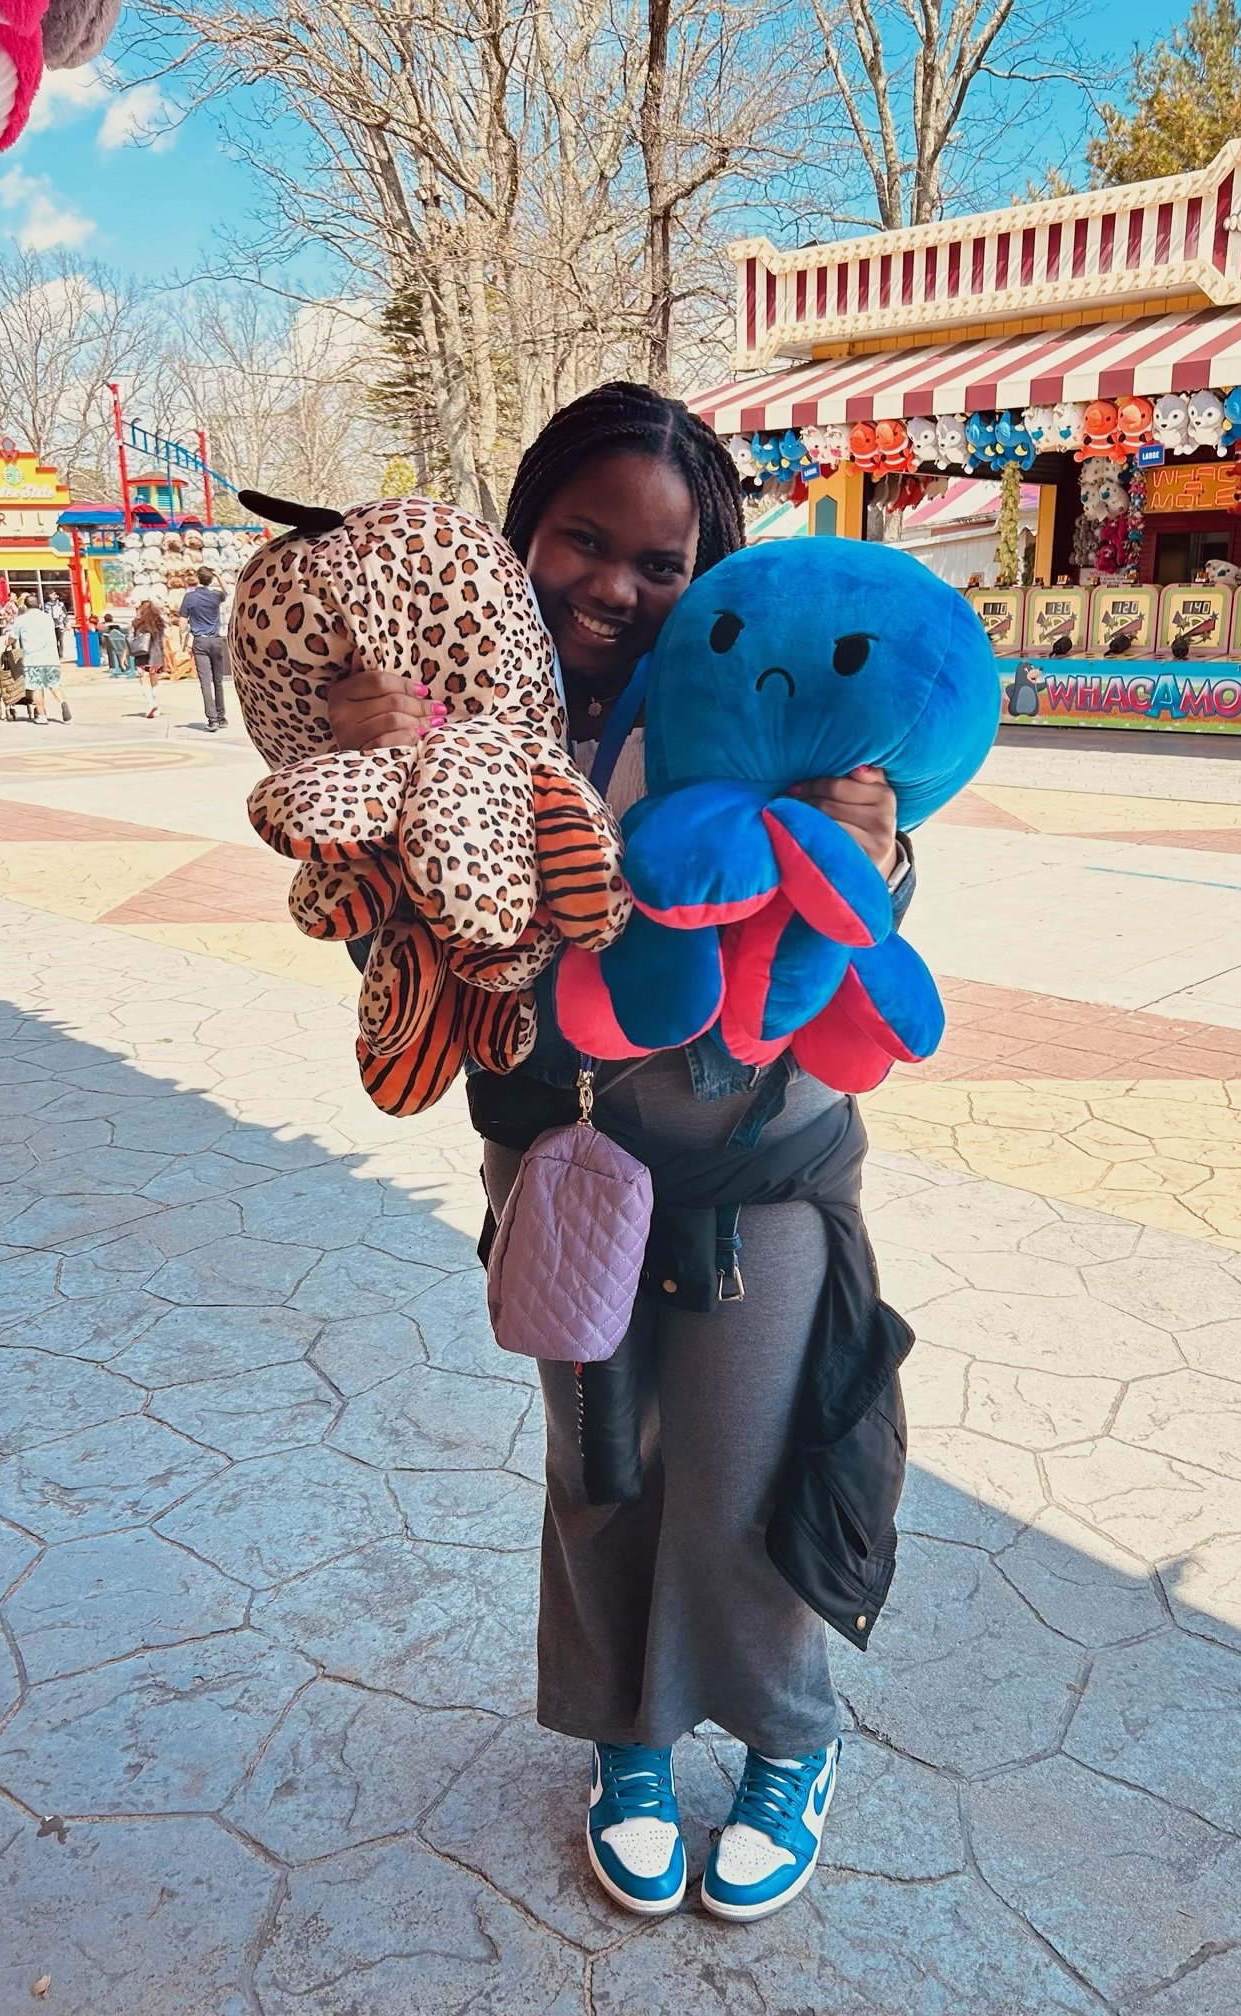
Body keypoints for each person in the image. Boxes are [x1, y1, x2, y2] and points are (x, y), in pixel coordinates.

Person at [327, 383, 914, 1925]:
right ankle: (628, 1741)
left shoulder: (768, 698)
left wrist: (877, 853)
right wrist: (382, 804)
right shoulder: (449, 721)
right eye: (582, 539)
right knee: (602, 1466)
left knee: (747, 1464)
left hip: (760, 1174)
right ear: (521, 533)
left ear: (709, 575)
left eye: (662, 563)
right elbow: (396, 976)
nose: (612, 586)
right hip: (562, 1170)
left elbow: (858, 945)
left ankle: (788, 1743)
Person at [178, 566, 228, 731]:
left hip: (200, 641)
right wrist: (218, 575)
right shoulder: (215, 596)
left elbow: (182, 621)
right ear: (211, 579)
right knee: (218, 681)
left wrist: (182, 639)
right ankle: (221, 717)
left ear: (198, 578)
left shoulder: (190, 597)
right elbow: (227, 591)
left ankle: (212, 720)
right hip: (216, 640)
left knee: (205, 682)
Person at [12, 592, 71, 724]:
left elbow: (13, 637)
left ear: (25, 606)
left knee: (36, 687)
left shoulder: (21, 620)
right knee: (54, 684)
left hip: (33, 659)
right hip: (51, 658)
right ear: (38, 605)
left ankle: (42, 715)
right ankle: (62, 702)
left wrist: (8, 643)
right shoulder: (47, 618)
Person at [130, 600, 167, 718]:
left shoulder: (137, 623)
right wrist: (165, 657)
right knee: (154, 679)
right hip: (156, 655)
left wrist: (125, 655)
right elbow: (163, 642)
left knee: (143, 678)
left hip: (142, 655)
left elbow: (131, 638)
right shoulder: (159, 623)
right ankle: (156, 705)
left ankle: (152, 703)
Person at [101, 612, 132, 678]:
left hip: (114, 647)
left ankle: (114, 667)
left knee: (112, 653)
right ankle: (126, 667)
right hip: (124, 650)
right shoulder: (121, 633)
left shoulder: (105, 627)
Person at [44, 590, 69, 660]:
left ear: (57, 596)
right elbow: (45, 615)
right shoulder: (47, 605)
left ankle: (61, 654)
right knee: (54, 640)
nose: (52, 596)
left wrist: (65, 624)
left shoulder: (60, 604)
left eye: (54, 595)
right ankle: (57, 654)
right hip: (51, 625)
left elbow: (65, 614)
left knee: (60, 640)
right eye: (51, 594)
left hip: (60, 624)